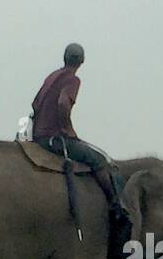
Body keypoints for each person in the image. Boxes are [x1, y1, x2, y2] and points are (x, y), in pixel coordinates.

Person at [29, 43, 127, 244]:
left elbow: (35, 103)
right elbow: (63, 103)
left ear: (65, 58)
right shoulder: (73, 79)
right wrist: (67, 129)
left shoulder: (52, 77)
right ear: (82, 61)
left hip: (37, 135)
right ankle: (115, 206)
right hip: (54, 139)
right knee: (99, 159)